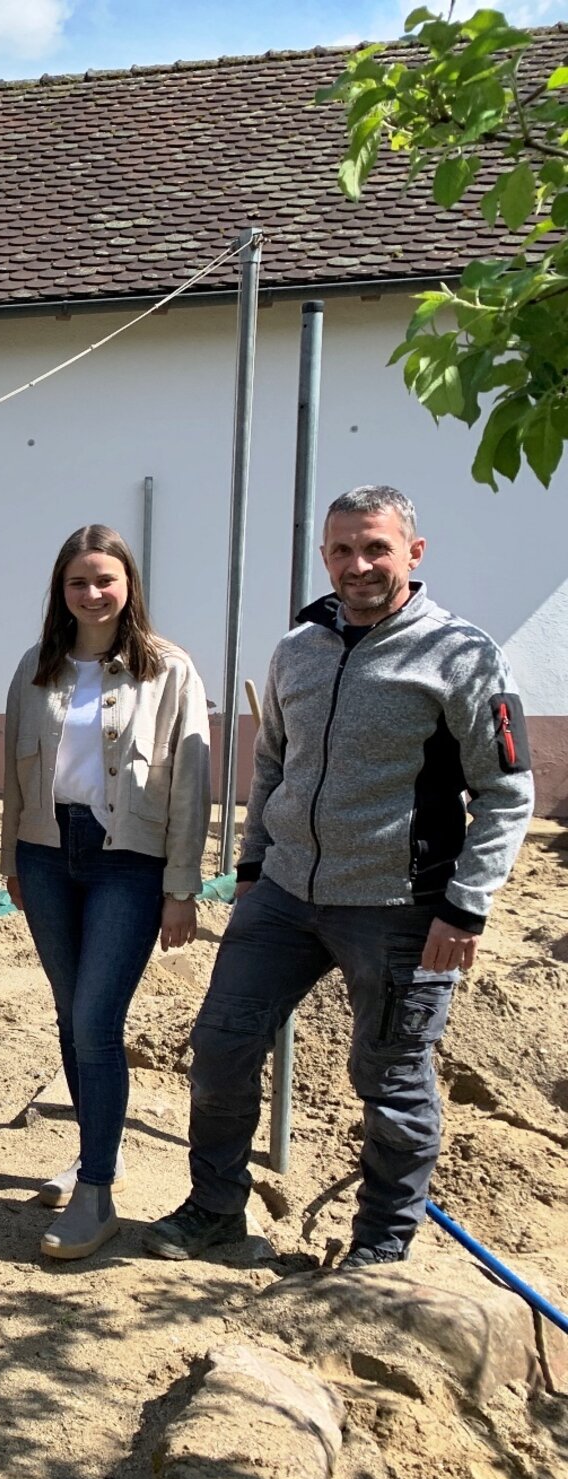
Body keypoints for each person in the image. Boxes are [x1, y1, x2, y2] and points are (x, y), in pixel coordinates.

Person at [143, 485, 533, 1269]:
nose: (358, 565)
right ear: (324, 555)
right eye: (343, 549)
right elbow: (273, 764)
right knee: (220, 1046)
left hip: (400, 908)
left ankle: (380, 1245)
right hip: (285, 896)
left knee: (390, 1077)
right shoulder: (298, 648)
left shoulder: (461, 654)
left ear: (413, 553)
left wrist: (466, 906)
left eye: (376, 547)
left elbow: (506, 791)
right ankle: (216, 1209)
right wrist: (253, 866)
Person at [2, 524, 210, 1261]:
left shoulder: (169, 669)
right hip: (46, 855)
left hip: (128, 860)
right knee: (70, 1014)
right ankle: (101, 1150)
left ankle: (96, 1195)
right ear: (60, 590)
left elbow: (190, 786)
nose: (92, 593)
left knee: (95, 1019)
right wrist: (12, 859)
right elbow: (15, 772)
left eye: (105, 580)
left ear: (129, 586)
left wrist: (181, 885)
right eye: (78, 582)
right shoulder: (37, 665)